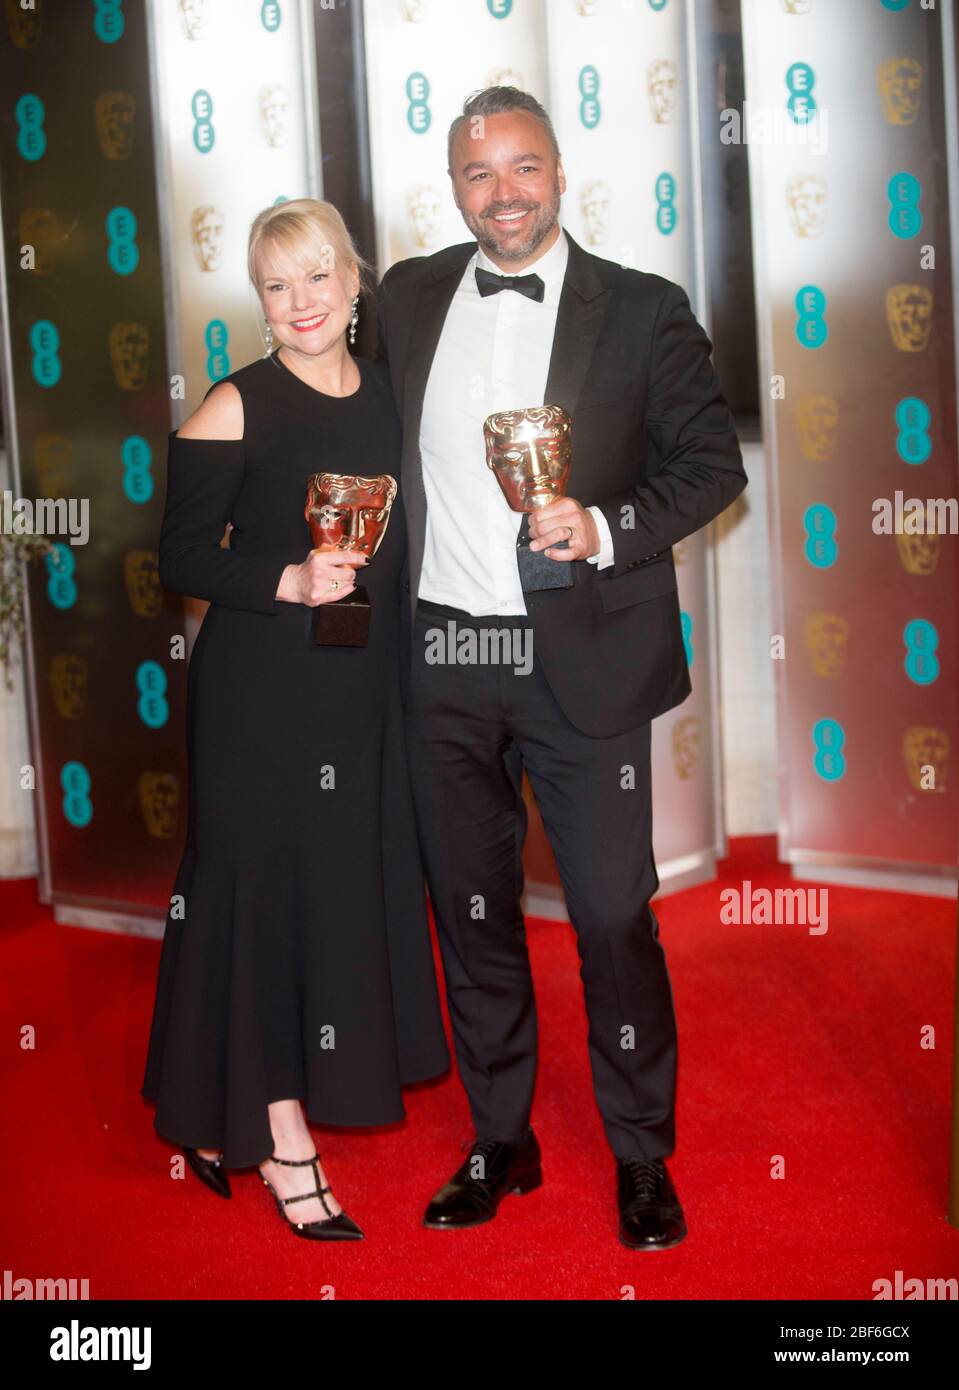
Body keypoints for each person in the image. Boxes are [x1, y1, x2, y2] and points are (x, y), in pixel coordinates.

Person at [375, 87, 748, 1249]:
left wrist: (604, 523)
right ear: (453, 188)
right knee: (472, 910)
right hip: (444, 647)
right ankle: (502, 1137)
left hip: (577, 653)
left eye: (523, 168)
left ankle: (641, 1153)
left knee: (607, 913)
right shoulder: (404, 296)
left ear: (558, 170)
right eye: (479, 174)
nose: (504, 195)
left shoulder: (640, 309)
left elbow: (709, 465)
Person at [142, 197, 450, 1241]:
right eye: (276, 285)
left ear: (354, 279)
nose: (299, 302)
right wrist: (285, 576)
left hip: (357, 687)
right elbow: (179, 556)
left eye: (316, 277)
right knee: (252, 893)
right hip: (258, 694)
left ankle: (212, 1102)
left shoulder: (387, 399)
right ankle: (280, 1137)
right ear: (259, 301)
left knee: (330, 883)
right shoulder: (234, 405)